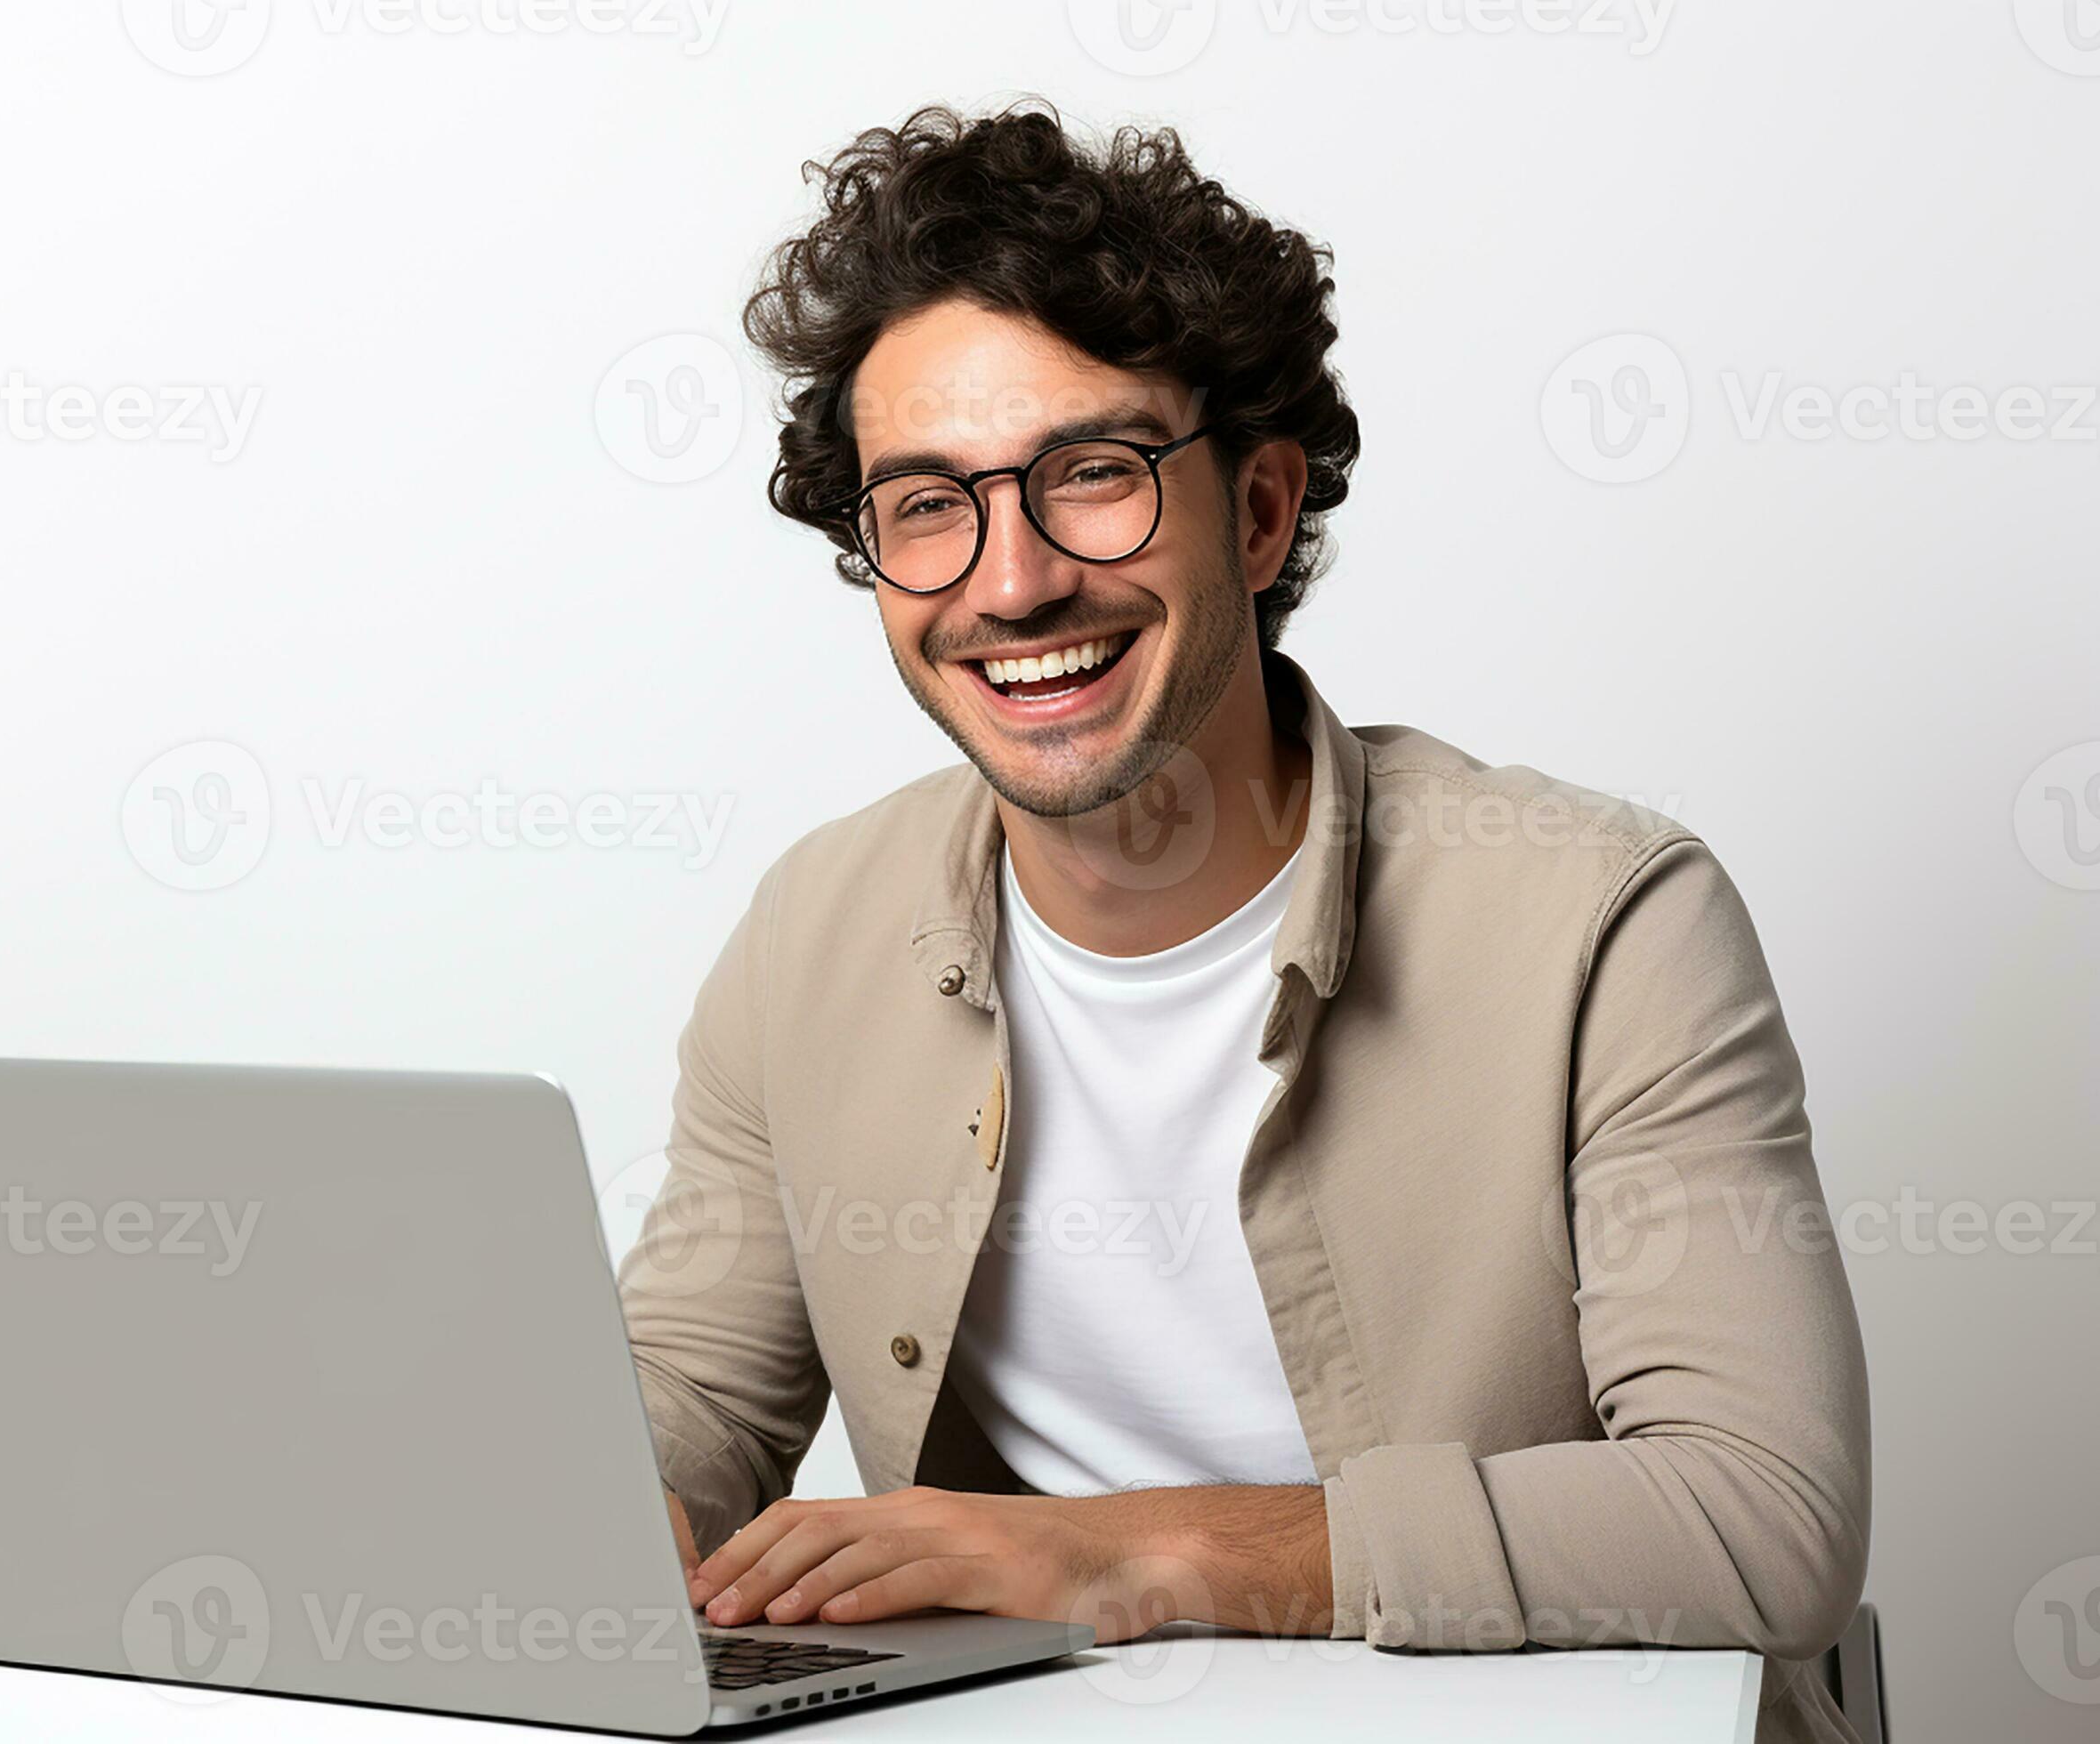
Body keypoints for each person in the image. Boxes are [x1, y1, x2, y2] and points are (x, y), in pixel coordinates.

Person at [616, 101, 1869, 1744]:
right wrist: (584, 1509)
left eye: (1093, 476)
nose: (1009, 586)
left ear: (1262, 513)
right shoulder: (812, 931)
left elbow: (1757, 1520)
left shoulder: (1604, 922)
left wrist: (1130, 1555)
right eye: (927, 505)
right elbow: (693, 1395)